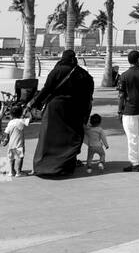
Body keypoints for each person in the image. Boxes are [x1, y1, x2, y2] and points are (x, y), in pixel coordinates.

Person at [29, 49, 95, 178]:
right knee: (70, 138)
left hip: (55, 109)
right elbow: (88, 93)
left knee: (49, 139)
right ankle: (66, 166)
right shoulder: (82, 74)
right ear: (73, 58)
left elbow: (46, 89)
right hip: (74, 110)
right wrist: (85, 112)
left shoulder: (57, 71)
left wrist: (35, 103)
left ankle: (44, 166)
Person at [5, 106, 33, 177]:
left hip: (11, 144)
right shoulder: (21, 121)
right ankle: (18, 172)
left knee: (11, 158)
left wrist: (5, 141)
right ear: (20, 113)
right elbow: (30, 120)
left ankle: (11, 171)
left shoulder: (10, 122)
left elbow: (7, 134)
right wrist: (29, 112)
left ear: (11, 114)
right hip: (19, 144)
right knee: (20, 157)